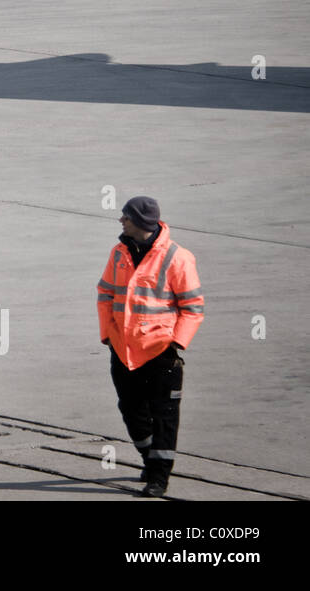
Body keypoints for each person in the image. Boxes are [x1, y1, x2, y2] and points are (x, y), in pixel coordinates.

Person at [97, 196, 204, 497]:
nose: (121, 221)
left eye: (126, 217)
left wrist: (176, 343)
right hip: (122, 350)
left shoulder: (177, 257)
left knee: (164, 415)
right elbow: (105, 294)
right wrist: (107, 334)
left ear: (141, 222)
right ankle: (148, 458)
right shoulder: (119, 253)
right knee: (131, 410)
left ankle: (159, 477)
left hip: (160, 352)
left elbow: (193, 307)